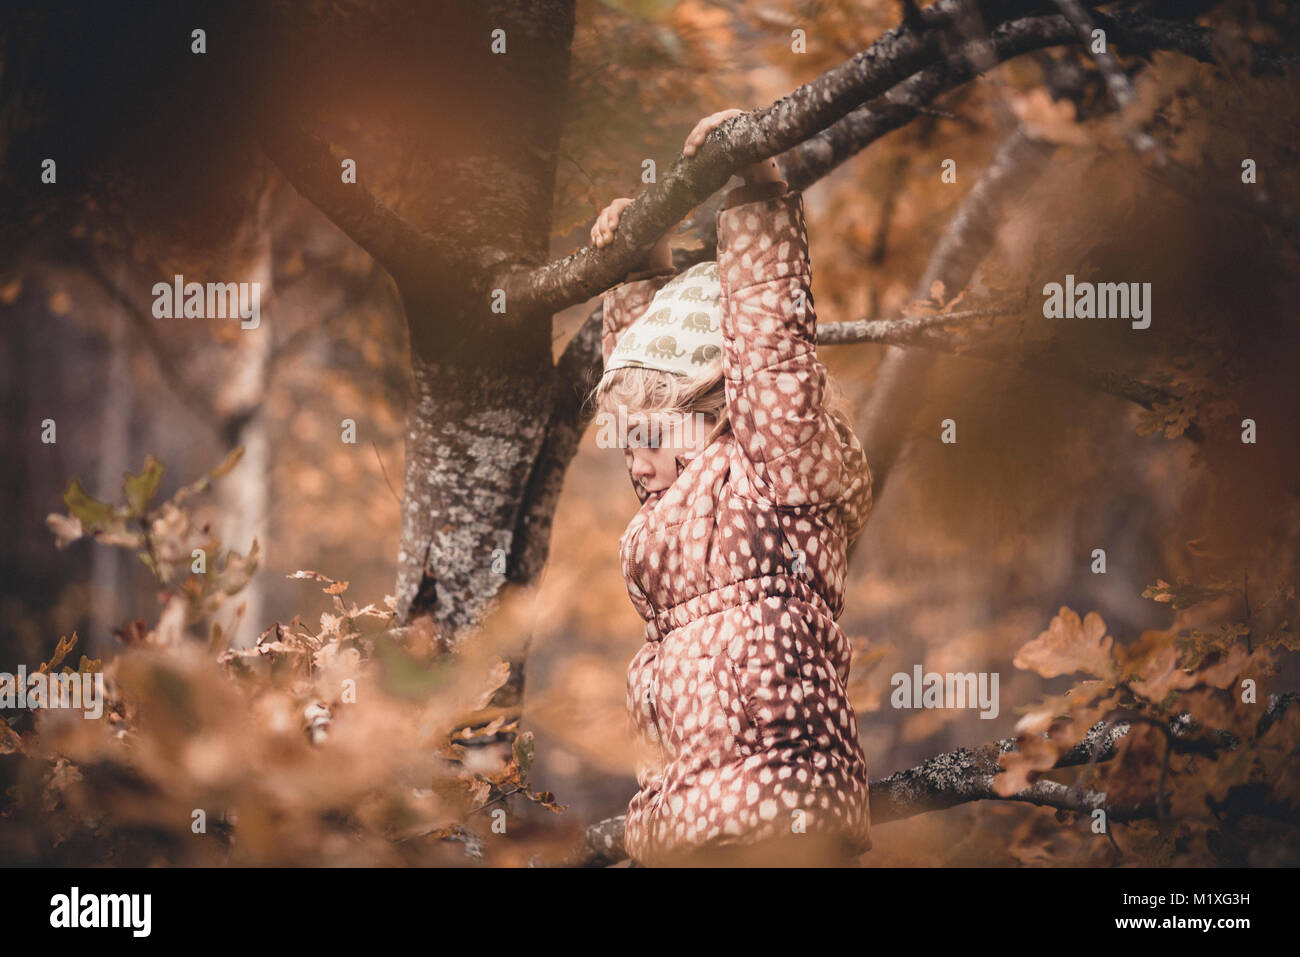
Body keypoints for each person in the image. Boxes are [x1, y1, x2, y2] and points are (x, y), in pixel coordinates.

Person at [585, 109, 874, 867]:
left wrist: (756, 187)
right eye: (627, 446)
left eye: (650, 440)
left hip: (781, 815)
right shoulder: (678, 514)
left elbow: (770, 341)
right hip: (685, 827)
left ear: (718, 415)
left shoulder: (773, 476)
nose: (635, 463)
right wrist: (634, 270)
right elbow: (648, 375)